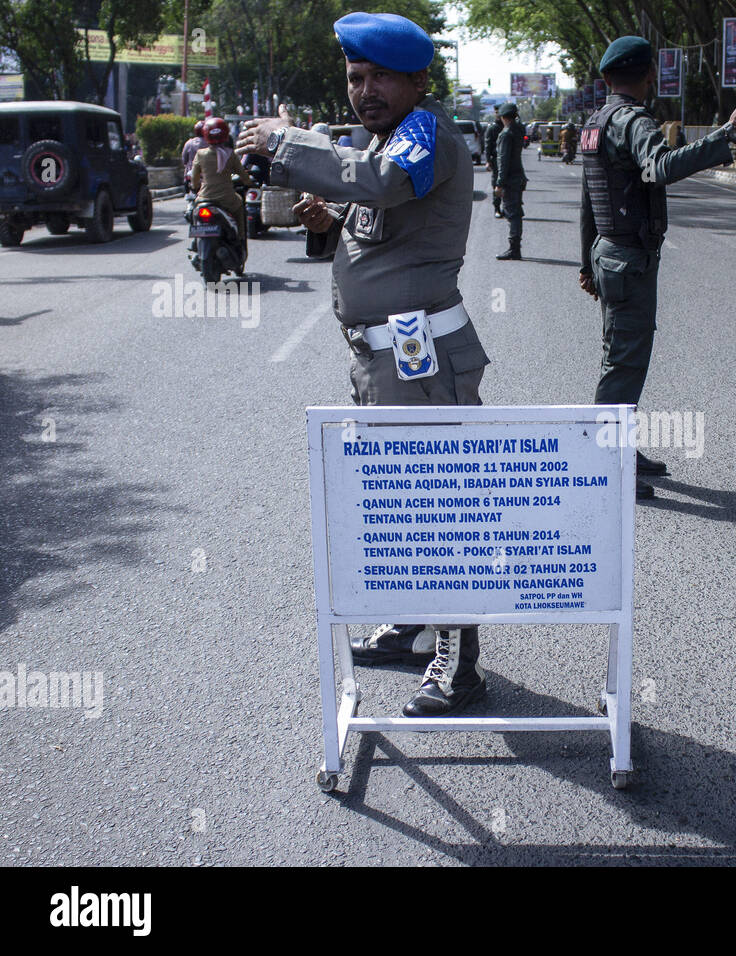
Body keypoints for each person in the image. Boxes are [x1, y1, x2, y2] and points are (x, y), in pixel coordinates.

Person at [235, 10, 490, 717]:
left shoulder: (426, 133)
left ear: (417, 80)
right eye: (355, 77)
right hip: (387, 361)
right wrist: (330, 220)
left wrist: (288, 145)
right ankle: (414, 623)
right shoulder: (387, 136)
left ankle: (459, 661)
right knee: (403, 503)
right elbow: (377, 217)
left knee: (439, 510)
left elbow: (379, 182)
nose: (365, 89)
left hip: (423, 359)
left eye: (381, 76)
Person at [577, 36, 736, 499]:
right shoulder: (632, 120)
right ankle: (608, 464)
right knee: (624, 363)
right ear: (650, 75)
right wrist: (727, 134)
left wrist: (586, 261)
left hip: (610, 254)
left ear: (606, 78)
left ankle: (619, 447)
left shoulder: (594, 122)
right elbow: (660, 167)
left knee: (620, 356)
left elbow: (588, 200)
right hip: (628, 259)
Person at [190, 117, 254, 243]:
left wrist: (195, 186)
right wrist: (249, 183)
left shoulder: (201, 154)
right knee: (240, 204)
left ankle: (195, 241)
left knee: (194, 211)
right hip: (227, 199)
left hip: (205, 197)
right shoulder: (230, 154)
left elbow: (194, 177)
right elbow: (242, 174)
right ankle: (240, 236)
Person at [494, 102, 526, 260]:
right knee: (516, 213)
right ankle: (515, 247)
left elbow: (503, 160)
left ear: (502, 117)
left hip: (510, 179)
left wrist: (499, 183)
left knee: (512, 213)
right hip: (518, 176)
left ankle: (514, 249)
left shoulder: (506, 134)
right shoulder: (518, 130)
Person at [484, 110, 503, 217]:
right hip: (496, 160)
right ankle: (497, 208)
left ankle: (507, 208)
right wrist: (488, 161)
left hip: (507, 160)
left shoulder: (508, 127)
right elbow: (488, 146)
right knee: (497, 184)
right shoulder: (492, 128)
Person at [181, 121, 205, 188]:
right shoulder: (211, 143)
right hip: (207, 174)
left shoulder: (189, 143)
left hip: (192, 174)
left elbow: (184, 160)